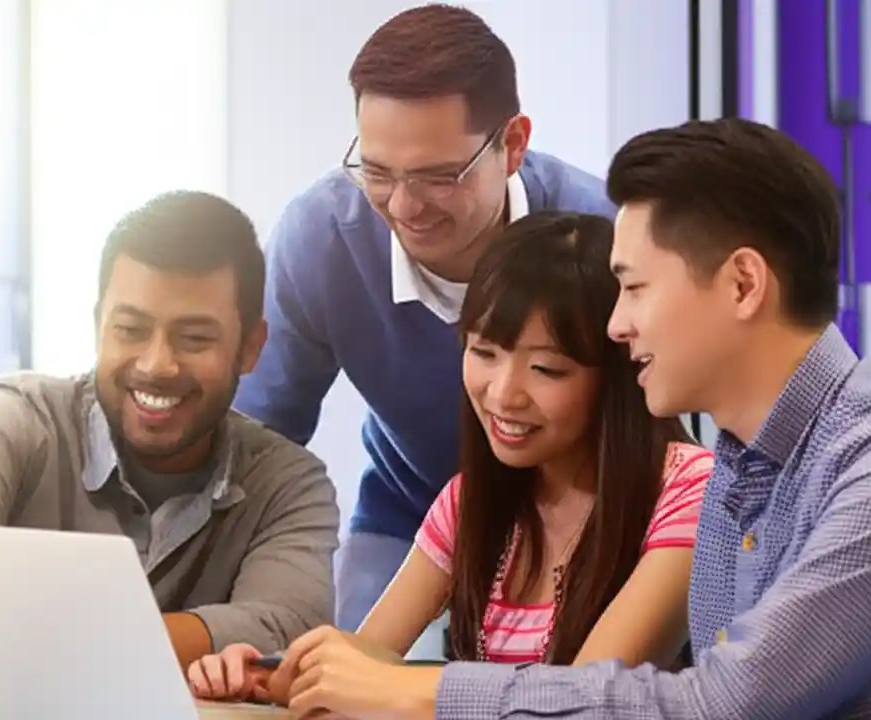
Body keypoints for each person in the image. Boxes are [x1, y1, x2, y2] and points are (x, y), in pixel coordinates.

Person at [255, 118, 871, 719]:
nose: (615, 327)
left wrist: (424, 690)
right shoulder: (745, 464)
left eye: (634, 289)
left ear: (742, 284)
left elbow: (728, 704)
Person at [187, 211, 714, 703]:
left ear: (618, 374)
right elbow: (364, 657)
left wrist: (389, 688)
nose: (503, 394)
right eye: (483, 353)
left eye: (547, 369)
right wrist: (270, 676)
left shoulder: (686, 487)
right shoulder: (472, 499)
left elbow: (578, 704)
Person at [233, 3, 615, 631]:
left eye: (440, 177)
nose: (404, 207)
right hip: (409, 515)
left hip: (589, 522)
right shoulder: (325, 235)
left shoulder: (604, 237)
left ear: (513, 145)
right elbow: (256, 445)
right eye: (378, 172)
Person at [0, 191, 340, 681]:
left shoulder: (289, 483)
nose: (157, 365)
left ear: (250, 347)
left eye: (195, 338)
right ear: (99, 326)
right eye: (131, 330)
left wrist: (48, 627)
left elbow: (285, 626)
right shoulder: (16, 414)